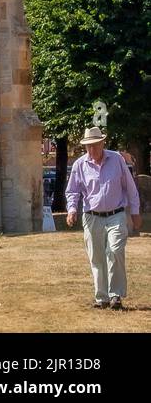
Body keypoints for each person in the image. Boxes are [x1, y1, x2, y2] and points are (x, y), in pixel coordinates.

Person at [65, 127, 142, 308]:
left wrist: (135, 212)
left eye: (95, 145)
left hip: (116, 214)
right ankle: (102, 298)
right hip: (92, 216)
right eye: (88, 147)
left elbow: (130, 187)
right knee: (96, 257)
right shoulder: (80, 165)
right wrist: (71, 210)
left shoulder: (117, 160)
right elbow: (72, 191)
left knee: (114, 251)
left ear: (102, 143)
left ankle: (116, 296)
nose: (92, 150)